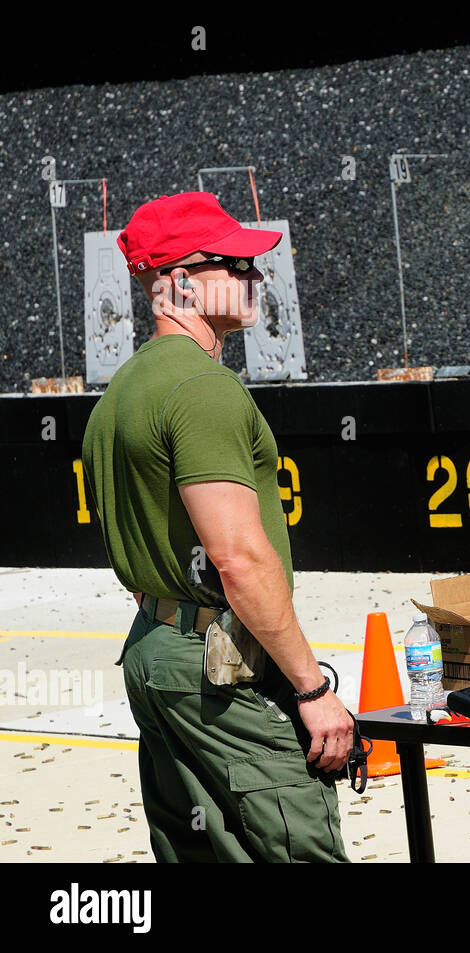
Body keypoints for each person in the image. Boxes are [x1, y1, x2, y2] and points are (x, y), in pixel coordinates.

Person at [81, 192, 351, 862]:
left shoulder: (122, 390)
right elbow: (240, 559)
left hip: (154, 648)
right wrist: (312, 688)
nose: (255, 277)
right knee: (298, 844)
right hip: (214, 664)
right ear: (177, 283)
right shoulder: (203, 389)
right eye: (234, 264)